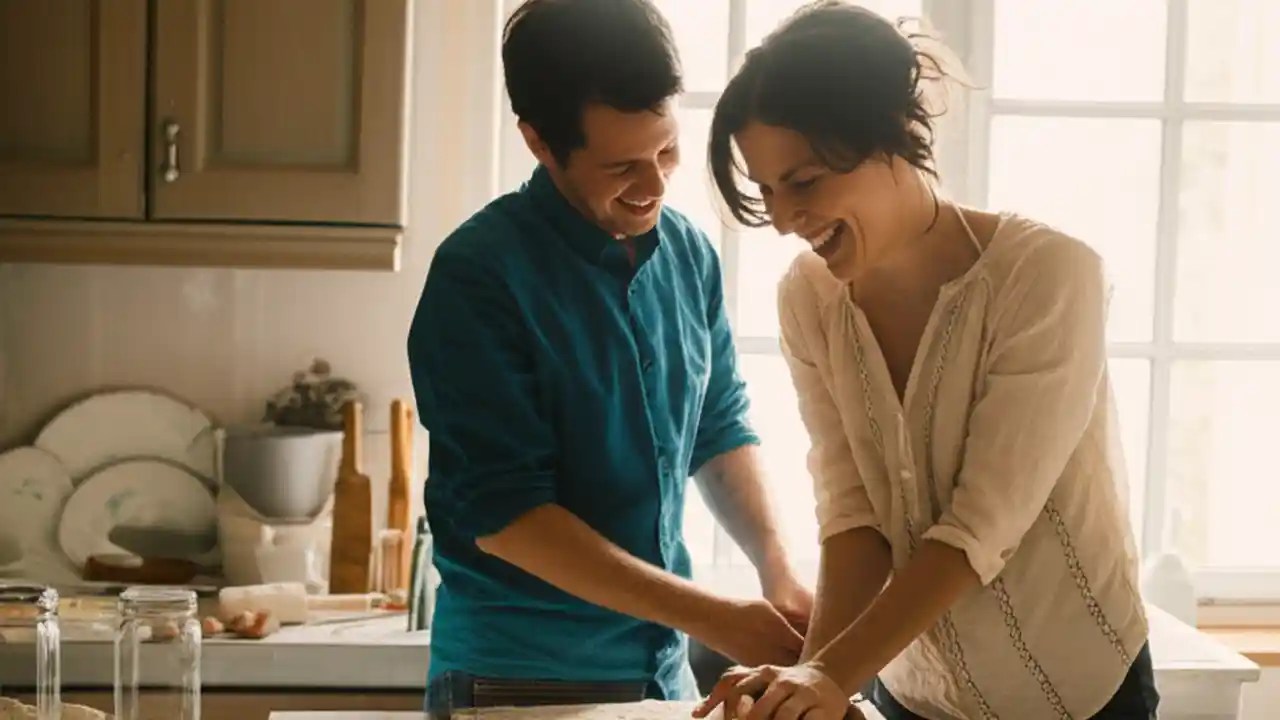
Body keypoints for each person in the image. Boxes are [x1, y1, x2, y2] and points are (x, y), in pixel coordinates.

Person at [692, 3, 1158, 719]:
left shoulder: (1050, 277)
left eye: (806, 182)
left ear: (891, 139)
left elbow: (980, 526)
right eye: (767, 191)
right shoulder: (809, 299)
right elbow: (853, 517)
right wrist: (815, 682)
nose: (783, 220)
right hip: (917, 694)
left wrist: (829, 673)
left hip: (1076, 694)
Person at [407, 0, 812, 709]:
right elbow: (507, 516)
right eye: (622, 165)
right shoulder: (478, 277)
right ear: (538, 142)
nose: (655, 185)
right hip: (515, 685)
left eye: (666, 150)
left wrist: (776, 566)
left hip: (662, 676)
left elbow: (717, 429)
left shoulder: (688, 253)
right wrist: (713, 616)